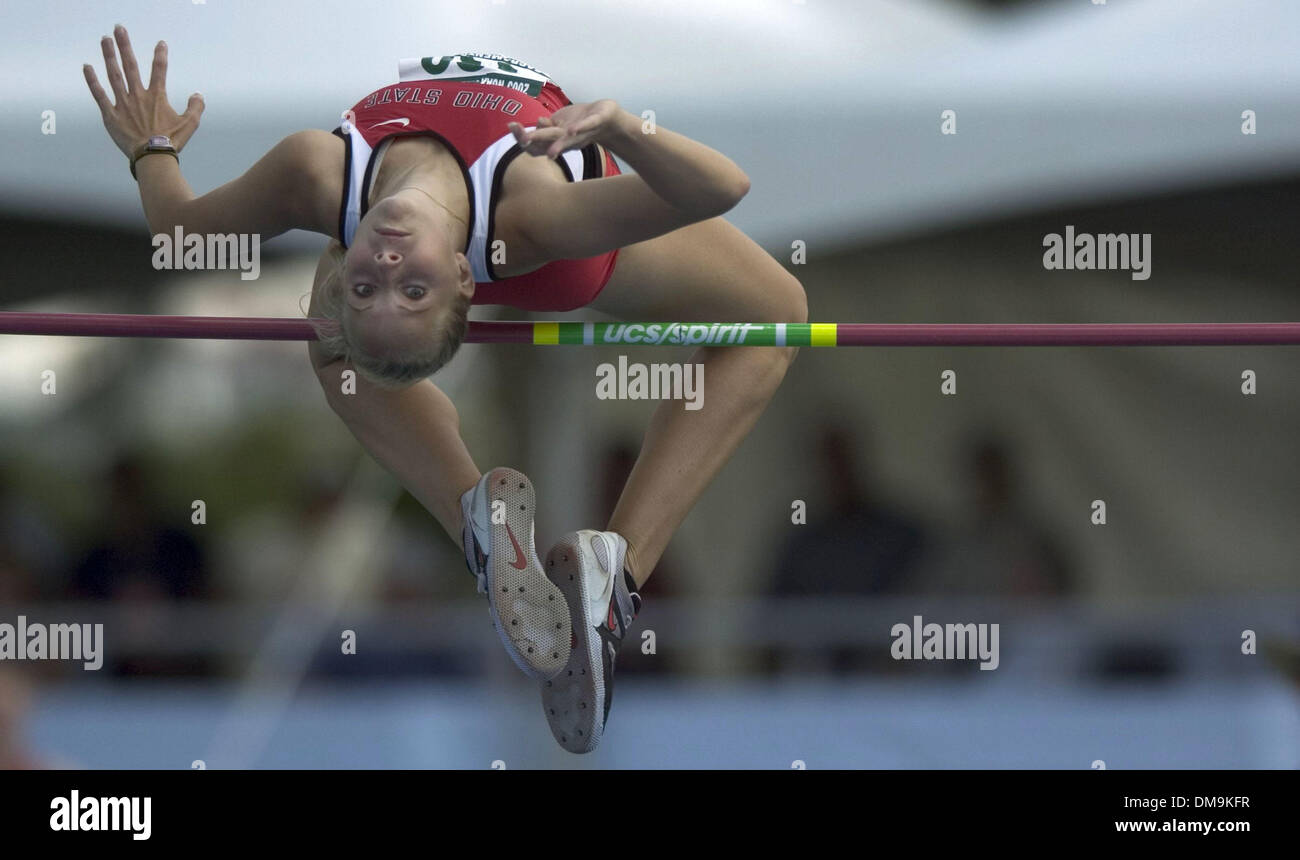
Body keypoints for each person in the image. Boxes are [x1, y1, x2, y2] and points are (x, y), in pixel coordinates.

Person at [85, 28, 807, 753]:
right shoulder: (539, 210)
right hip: (539, 242)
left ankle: (479, 513)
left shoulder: (317, 174)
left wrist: (150, 147)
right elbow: (722, 188)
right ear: (461, 278)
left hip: (503, 224)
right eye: (413, 285)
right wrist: (626, 127)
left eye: (369, 282)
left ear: (349, 263)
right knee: (778, 316)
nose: (389, 259)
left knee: (332, 344)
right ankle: (615, 567)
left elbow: (179, 227)